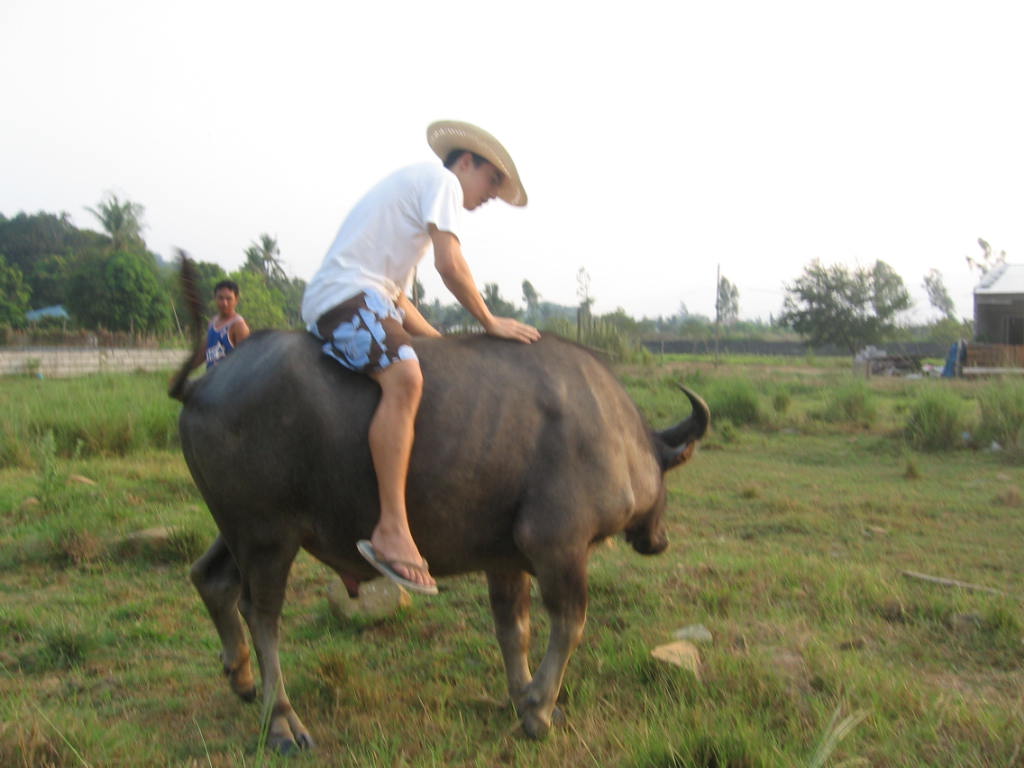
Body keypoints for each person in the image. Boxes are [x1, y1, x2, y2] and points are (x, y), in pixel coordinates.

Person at [301, 120, 540, 595]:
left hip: (369, 298)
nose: (493, 193)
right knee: (406, 377)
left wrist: (445, 343)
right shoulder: (442, 183)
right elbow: (449, 264)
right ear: (465, 161)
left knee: (424, 360)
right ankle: (391, 528)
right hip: (346, 297)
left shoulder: (414, 200)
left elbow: (399, 301)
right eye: (492, 179)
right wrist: (489, 322)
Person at [206, 279, 251, 368]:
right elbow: (205, 351)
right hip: (212, 375)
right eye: (220, 298)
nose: (224, 303)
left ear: (236, 300)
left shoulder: (239, 325)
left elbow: (245, 360)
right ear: (215, 298)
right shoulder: (212, 322)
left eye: (229, 299)